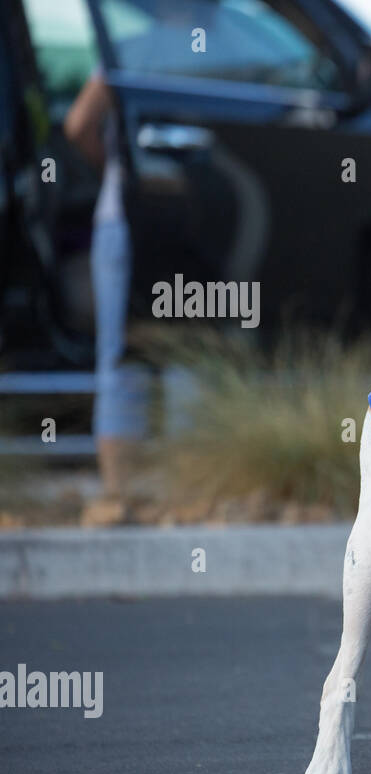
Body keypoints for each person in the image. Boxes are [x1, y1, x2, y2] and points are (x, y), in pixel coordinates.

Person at [65, 69, 150, 525]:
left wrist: (117, 168)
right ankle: (193, 488)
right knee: (195, 347)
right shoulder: (228, 47)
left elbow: (79, 125)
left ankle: (118, 495)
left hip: (125, 209)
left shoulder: (126, 50)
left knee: (119, 354)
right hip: (199, 210)